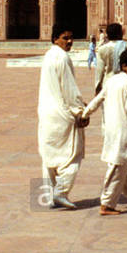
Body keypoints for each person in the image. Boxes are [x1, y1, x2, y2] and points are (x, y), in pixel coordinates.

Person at [82, 48, 127, 216]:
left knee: (125, 165)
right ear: (125, 66)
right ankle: (106, 204)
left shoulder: (112, 80)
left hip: (112, 129)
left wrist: (86, 113)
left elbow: (99, 98)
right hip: (123, 130)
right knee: (117, 167)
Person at [38, 24, 87, 210]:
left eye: (71, 37)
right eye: (65, 38)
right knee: (73, 155)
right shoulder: (62, 57)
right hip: (62, 114)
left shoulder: (48, 55)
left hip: (46, 112)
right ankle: (61, 192)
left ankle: (46, 197)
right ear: (55, 39)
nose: (69, 41)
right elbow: (69, 89)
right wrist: (80, 111)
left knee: (48, 156)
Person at [94, 22, 127, 94]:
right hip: (122, 82)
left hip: (108, 82)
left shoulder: (102, 49)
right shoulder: (125, 48)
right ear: (120, 34)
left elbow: (100, 70)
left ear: (108, 35)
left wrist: (97, 86)